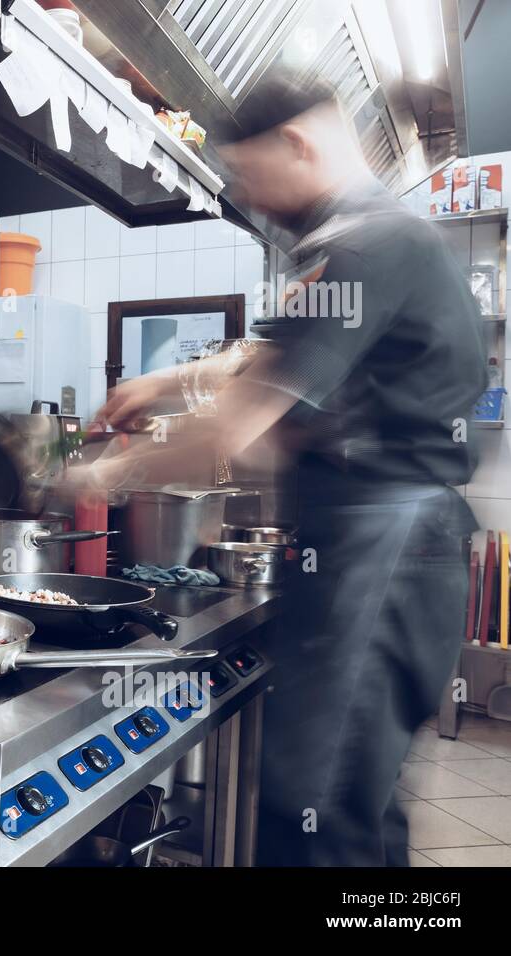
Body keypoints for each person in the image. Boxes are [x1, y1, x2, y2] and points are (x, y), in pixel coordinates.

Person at [89, 78, 486, 866]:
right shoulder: (374, 239)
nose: (252, 202)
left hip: (386, 551)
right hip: (394, 547)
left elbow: (233, 430)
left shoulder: (365, 246)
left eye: (250, 179)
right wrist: (157, 384)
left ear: (297, 144)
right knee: (356, 809)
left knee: (314, 808)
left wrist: (97, 478)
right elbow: (265, 357)